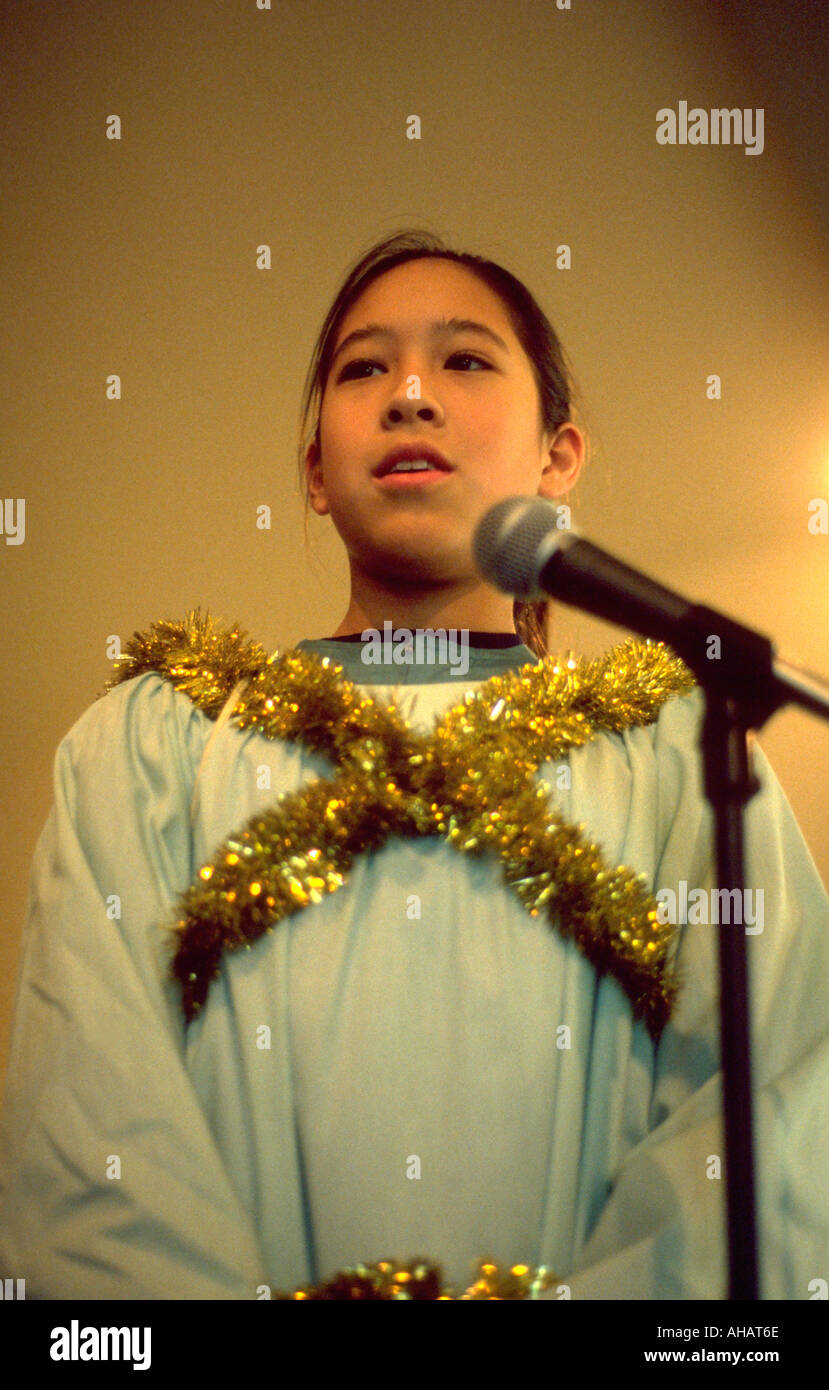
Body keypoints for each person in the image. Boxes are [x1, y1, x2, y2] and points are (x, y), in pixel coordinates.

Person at [0, 230, 827, 1300]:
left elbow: (776, 1104)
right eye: (362, 368)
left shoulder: (674, 753)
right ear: (313, 472)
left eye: (465, 359)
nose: (408, 395)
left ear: (556, 457)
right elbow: (93, 1145)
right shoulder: (155, 746)